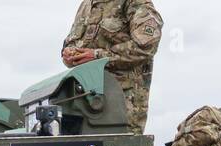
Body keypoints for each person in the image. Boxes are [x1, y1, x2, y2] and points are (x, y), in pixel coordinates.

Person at [61, 0, 163, 134]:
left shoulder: (135, 2)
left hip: (121, 105)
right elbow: (72, 43)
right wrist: (69, 54)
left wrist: (98, 56)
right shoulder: (87, 5)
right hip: (84, 103)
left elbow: (146, 47)